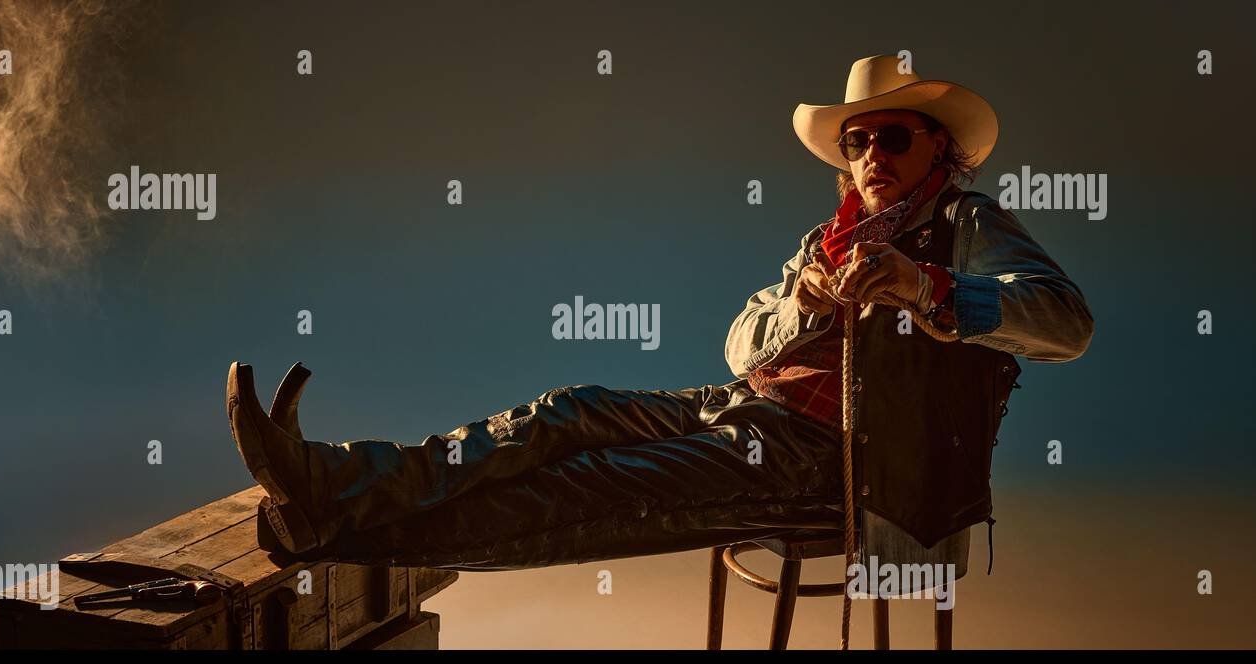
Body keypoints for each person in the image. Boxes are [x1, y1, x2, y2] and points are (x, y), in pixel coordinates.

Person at [225, 54, 1093, 571]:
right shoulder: (826, 241)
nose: (871, 155)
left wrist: (926, 290)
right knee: (569, 412)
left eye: (893, 136)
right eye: (857, 141)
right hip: (749, 407)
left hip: (845, 459)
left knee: (584, 488)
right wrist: (801, 299)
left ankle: (331, 534)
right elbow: (738, 347)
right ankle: (339, 480)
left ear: (937, 147)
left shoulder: (965, 225)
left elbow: (1065, 324)